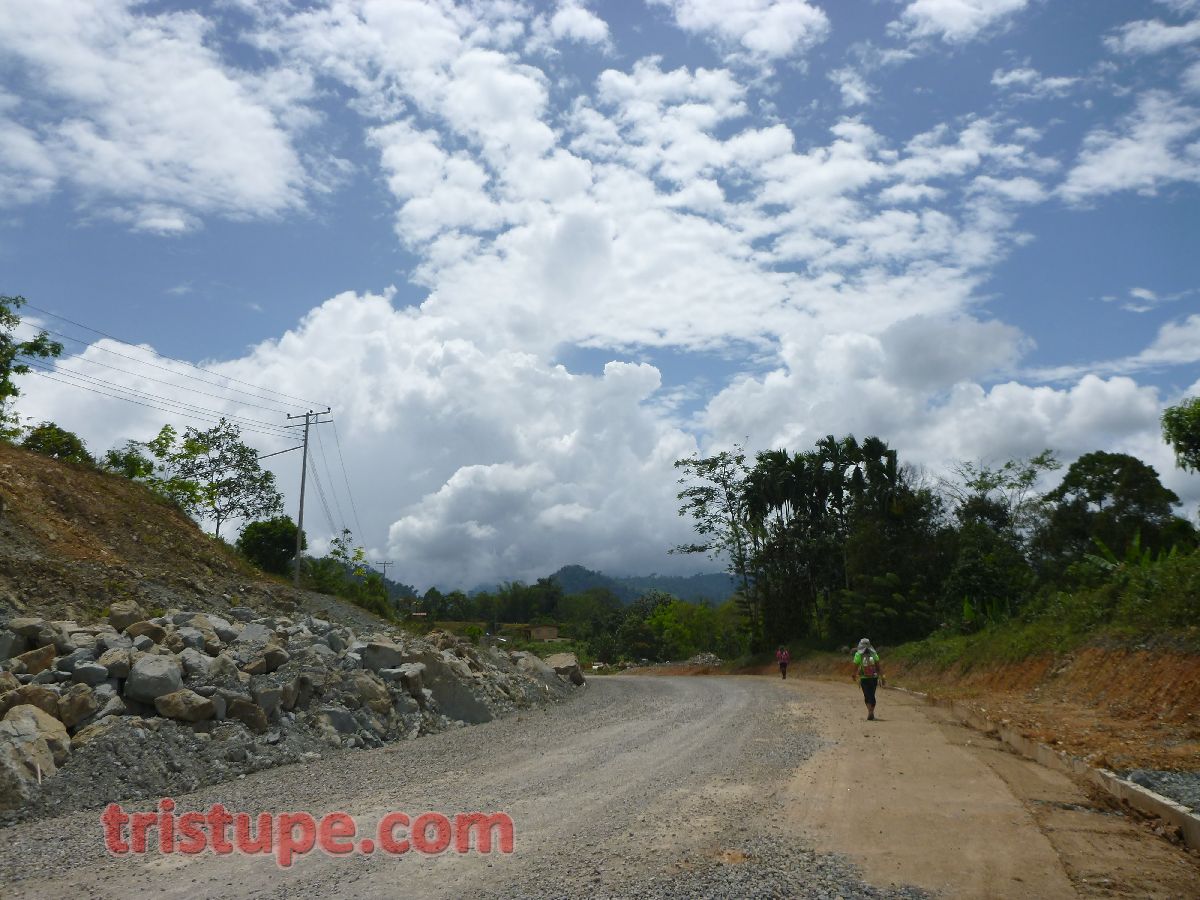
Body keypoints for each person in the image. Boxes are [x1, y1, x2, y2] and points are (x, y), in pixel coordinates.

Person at [851, 638, 884, 720]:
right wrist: (882, 677)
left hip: (864, 678)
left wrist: (854, 675)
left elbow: (855, 666)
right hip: (874, 677)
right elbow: (878, 667)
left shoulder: (858, 654)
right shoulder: (874, 653)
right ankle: (871, 712)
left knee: (867, 695)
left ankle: (870, 711)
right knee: (872, 694)